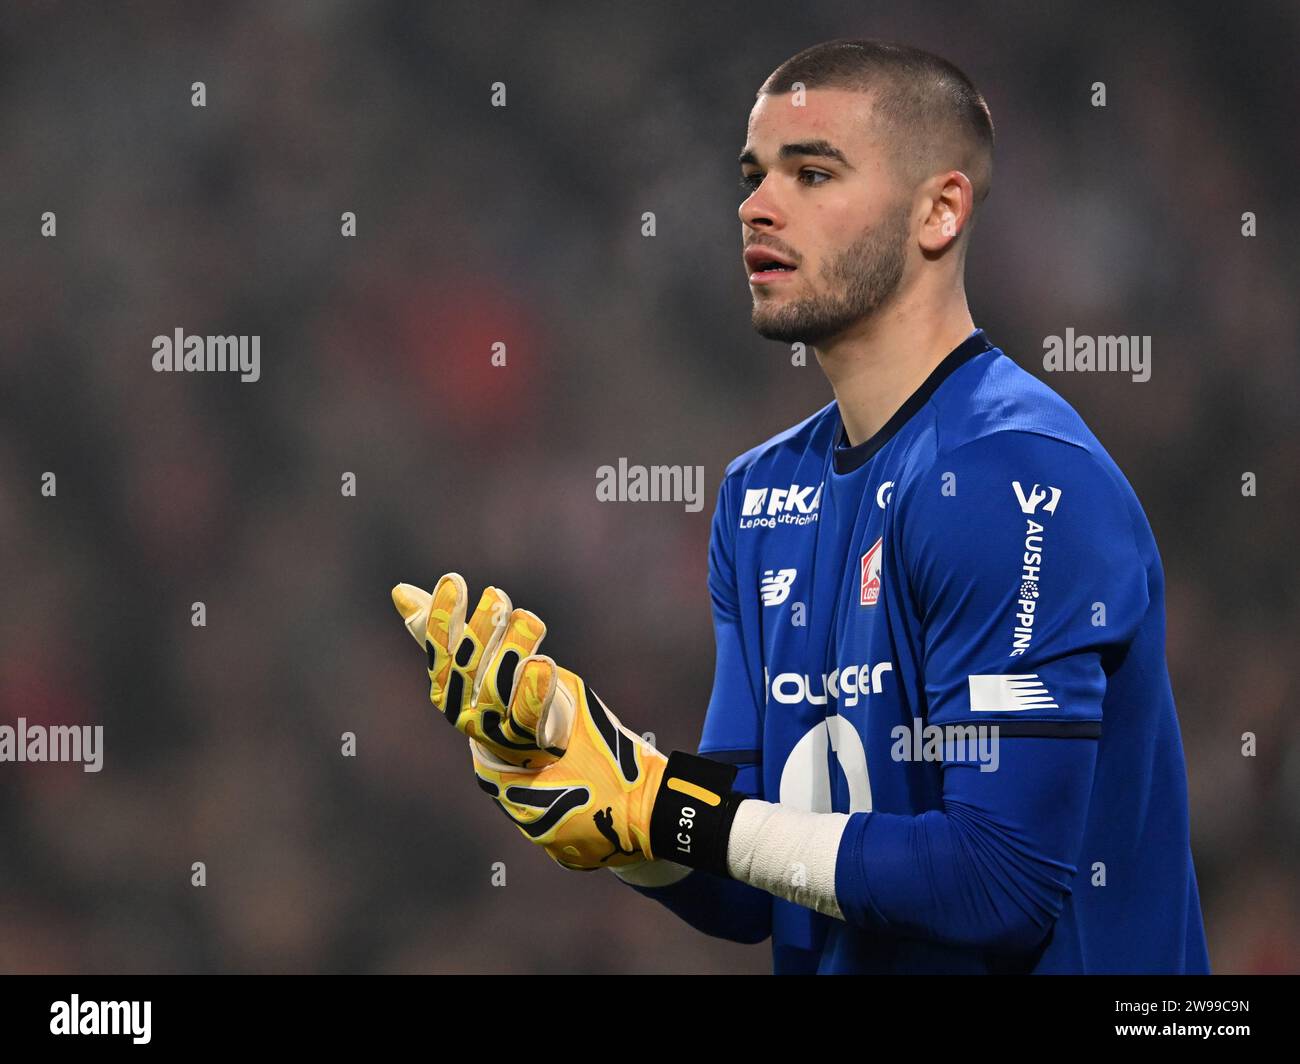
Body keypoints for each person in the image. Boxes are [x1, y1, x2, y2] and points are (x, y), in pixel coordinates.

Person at [395, 38, 1210, 975]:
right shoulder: (759, 496)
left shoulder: (1018, 477)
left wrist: (666, 805)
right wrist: (575, 767)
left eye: (812, 172)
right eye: (752, 175)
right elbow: (753, 876)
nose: (755, 205)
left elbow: (1002, 882)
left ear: (940, 211)